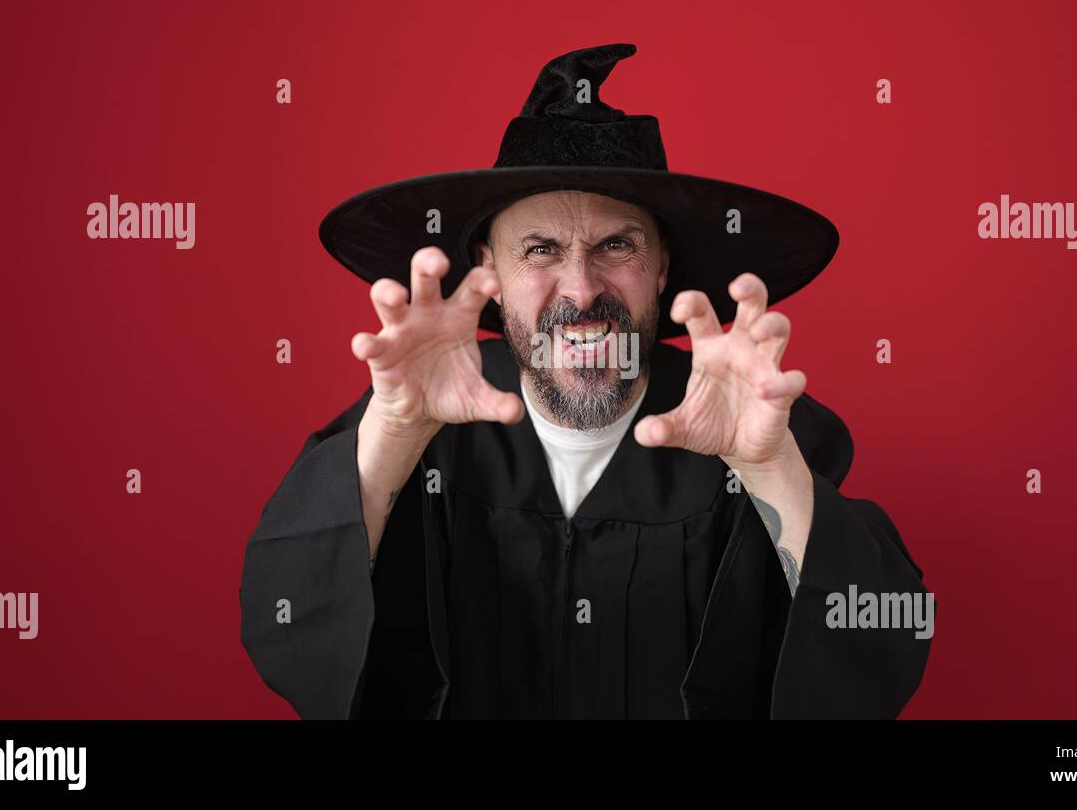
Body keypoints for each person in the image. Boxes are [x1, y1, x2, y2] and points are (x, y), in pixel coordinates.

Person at [240, 43, 931, 719]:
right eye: (541, 249)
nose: (581, 288)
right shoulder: (418, 421)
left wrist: (770, 470)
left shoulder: (755, 427)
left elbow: (887, 646)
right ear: (490, 273)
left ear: (662, 268)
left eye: (617, 246)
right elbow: (284, 627)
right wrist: (391, 437)